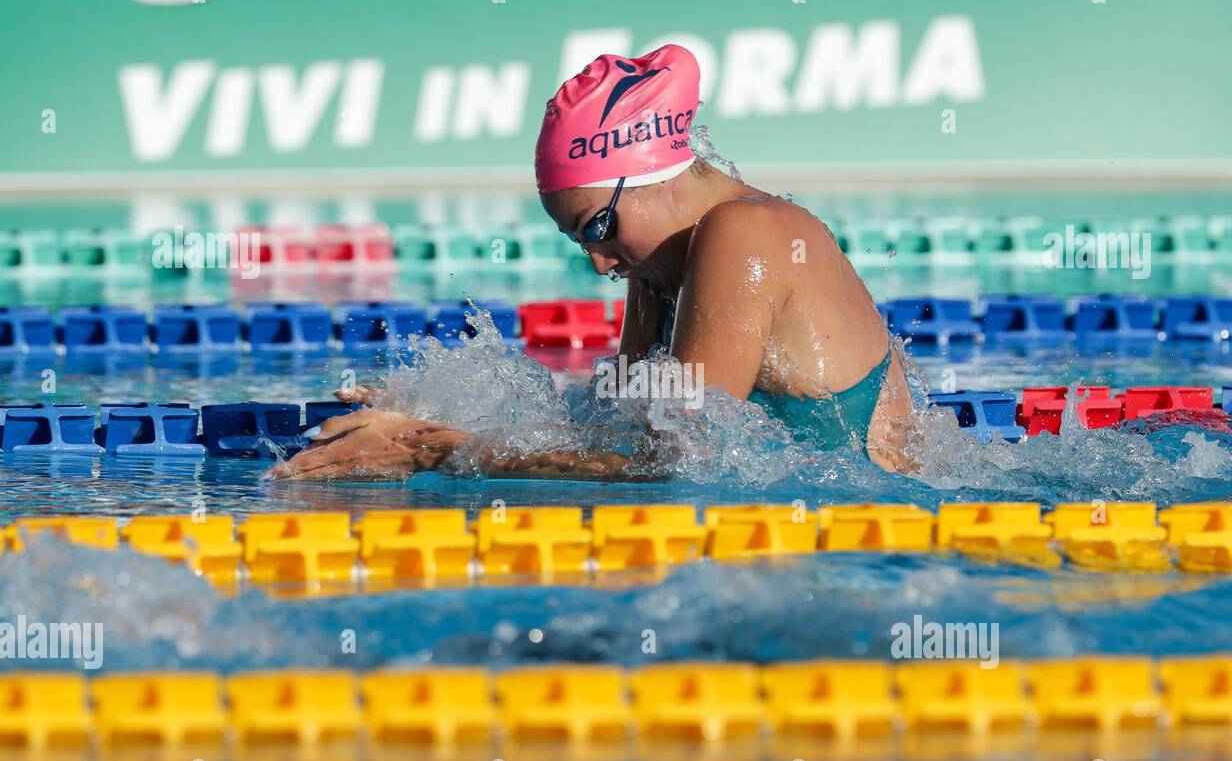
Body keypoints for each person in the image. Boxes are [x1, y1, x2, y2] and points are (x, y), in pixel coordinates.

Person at [265, 44, 913, 483]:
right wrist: (439, 409)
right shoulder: (663, 264)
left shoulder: (745, 235)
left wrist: (428, 445)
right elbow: (617, 424)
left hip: (858, 558)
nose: (601, 263)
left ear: (658, 177)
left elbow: (677, 465)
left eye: (599, 228)